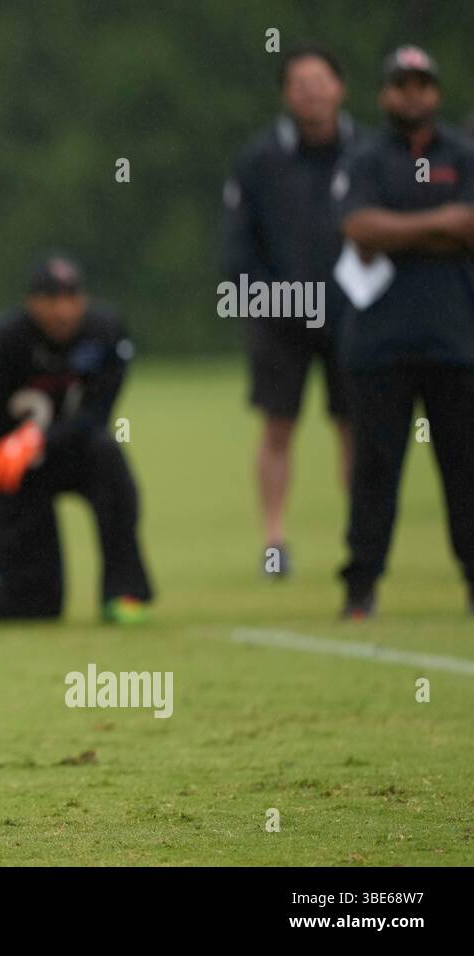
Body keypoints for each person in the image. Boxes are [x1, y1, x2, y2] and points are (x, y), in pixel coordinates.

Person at [0, 256, 152, 623]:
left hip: (72, 451)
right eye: (53, 299)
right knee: (35, 608)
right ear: (32, 302)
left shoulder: (107, 333)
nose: (64, 310)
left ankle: (123, 593)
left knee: (108, 457)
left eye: (73, 297)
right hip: (8, 472)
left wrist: (37, 440)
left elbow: (96, 415)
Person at [333, 45, 474, 619]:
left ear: (435, 93)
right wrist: (440, 227)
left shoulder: (463, 154)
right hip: (380, 344)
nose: (411, 94)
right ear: (384, 93)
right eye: (400, 84)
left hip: (457, 340)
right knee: (374, 473)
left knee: (466, 470)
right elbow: (359, 227)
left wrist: (400, 230)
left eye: (421, 84)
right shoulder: (365, 157)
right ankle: (360, 586)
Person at [221, 44, 357, 578]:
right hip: (281, 315)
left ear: (340, 87)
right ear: (285, 94)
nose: (311, 92)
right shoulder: (259, 161)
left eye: (320, 81)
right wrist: (271, 298)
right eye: (300, 84)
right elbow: (237, 249)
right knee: (278, 427)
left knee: (355, 427)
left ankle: (358, 540)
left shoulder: (367, 152)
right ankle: (275, 542)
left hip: (352, 313)